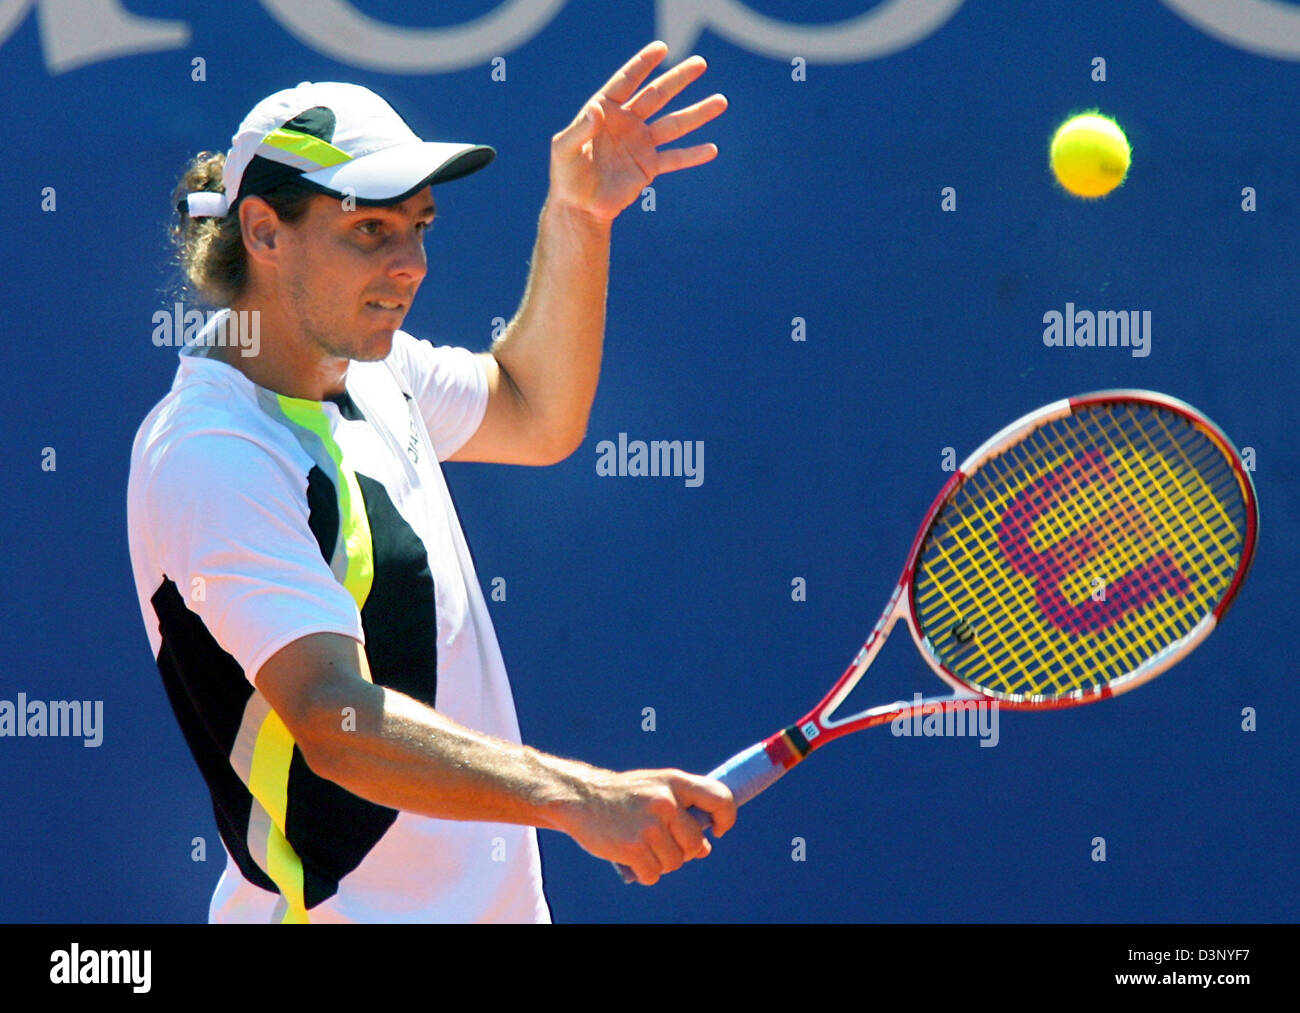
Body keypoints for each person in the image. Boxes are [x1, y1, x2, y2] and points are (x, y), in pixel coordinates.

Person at [126, 43, 735, 924]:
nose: (410, 261)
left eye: (420, 224)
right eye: (370, 229)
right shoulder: (212, 452)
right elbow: (334, 719)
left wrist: (578, 215)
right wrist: (579, 795)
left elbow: (533, 412)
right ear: (262, 231)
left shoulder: (372, 371)